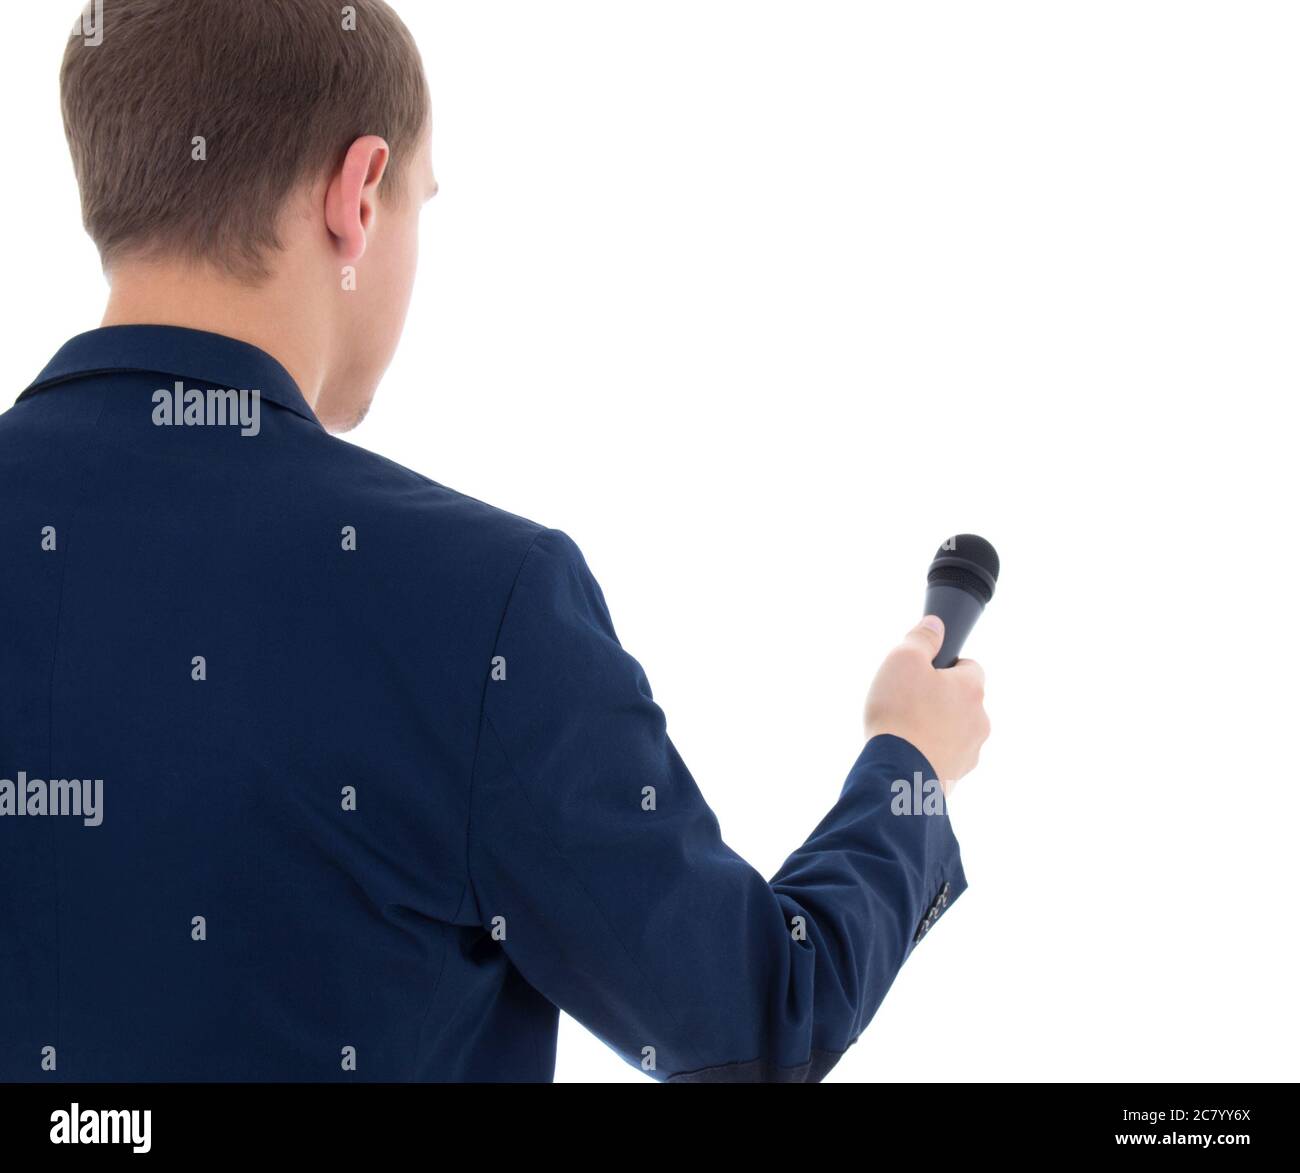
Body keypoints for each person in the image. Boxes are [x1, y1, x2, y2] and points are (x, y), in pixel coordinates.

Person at [0, 0, 989, 1082]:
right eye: (419, 202)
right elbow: (756, 1023)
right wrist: (908, 766)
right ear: (356, 192)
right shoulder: (479, 603)